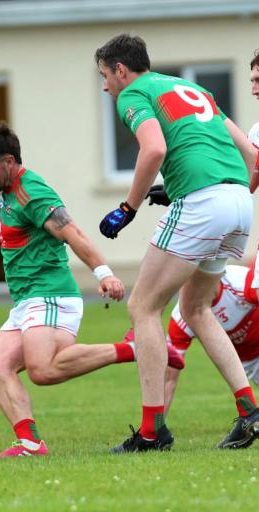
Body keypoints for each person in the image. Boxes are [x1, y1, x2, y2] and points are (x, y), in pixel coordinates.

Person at [0, 121, 166, 458]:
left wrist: (105, 273)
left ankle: (133, 349)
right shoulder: (6, 185)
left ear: (9, 162)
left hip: (52, 295)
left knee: (42, 370)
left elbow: (74, 234)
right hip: (27, 300)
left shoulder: (33, 192)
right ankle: (30, 443)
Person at [94, 34, 259, 453]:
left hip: (204, 203)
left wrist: (128, 208)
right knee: (196, 308)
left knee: (142, 307)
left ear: (121, 70)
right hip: (240, 200)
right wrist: (200, 186)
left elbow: (154, 149)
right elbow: (251, 154)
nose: (105, 86)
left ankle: (153, 432)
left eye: (105, 76)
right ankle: (251, 410)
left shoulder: (133, 94)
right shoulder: (192, 88)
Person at [153, 264, 259, 449]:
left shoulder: (241, 282)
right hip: (250, 363)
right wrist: (154, 427)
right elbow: (169, 376)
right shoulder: (181, 317)